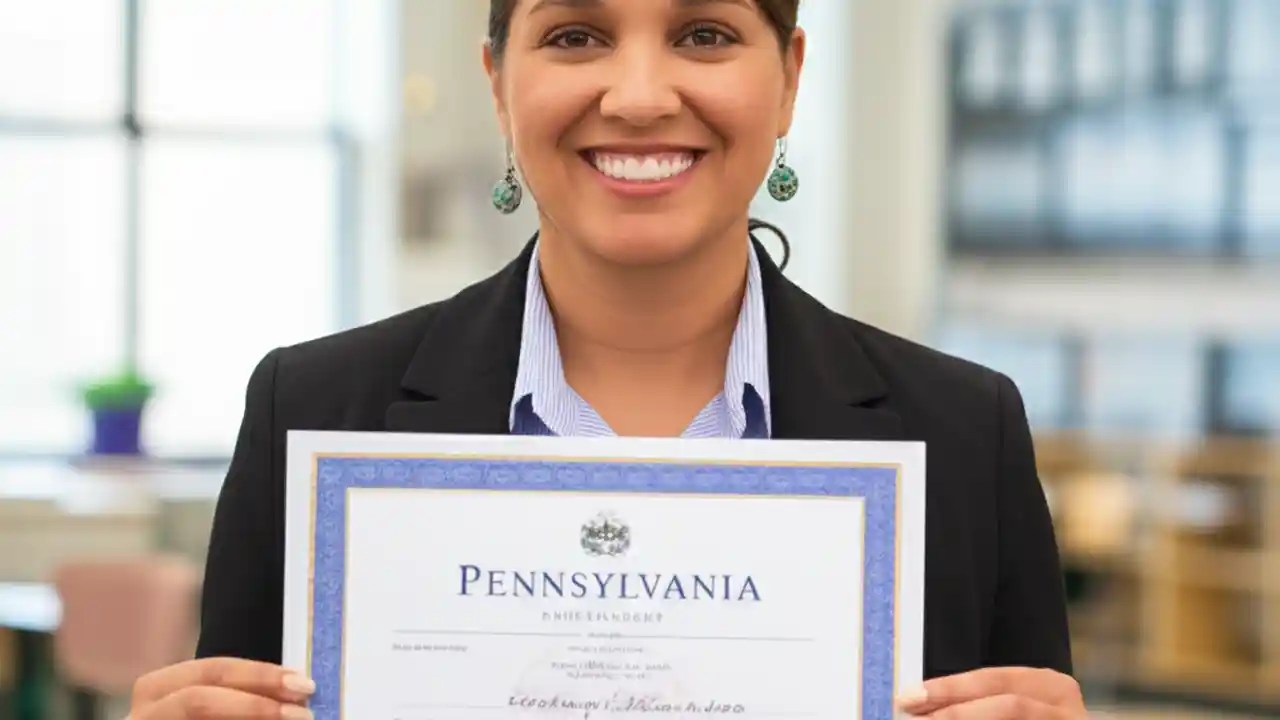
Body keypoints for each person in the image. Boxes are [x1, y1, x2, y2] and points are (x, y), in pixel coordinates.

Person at [129, 1, 1088, 718]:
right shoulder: (315, 410)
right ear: (497, 80)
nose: (636, 97)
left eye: (705, 34)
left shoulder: (965, 432)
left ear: (790, 78)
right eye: (576, 35)